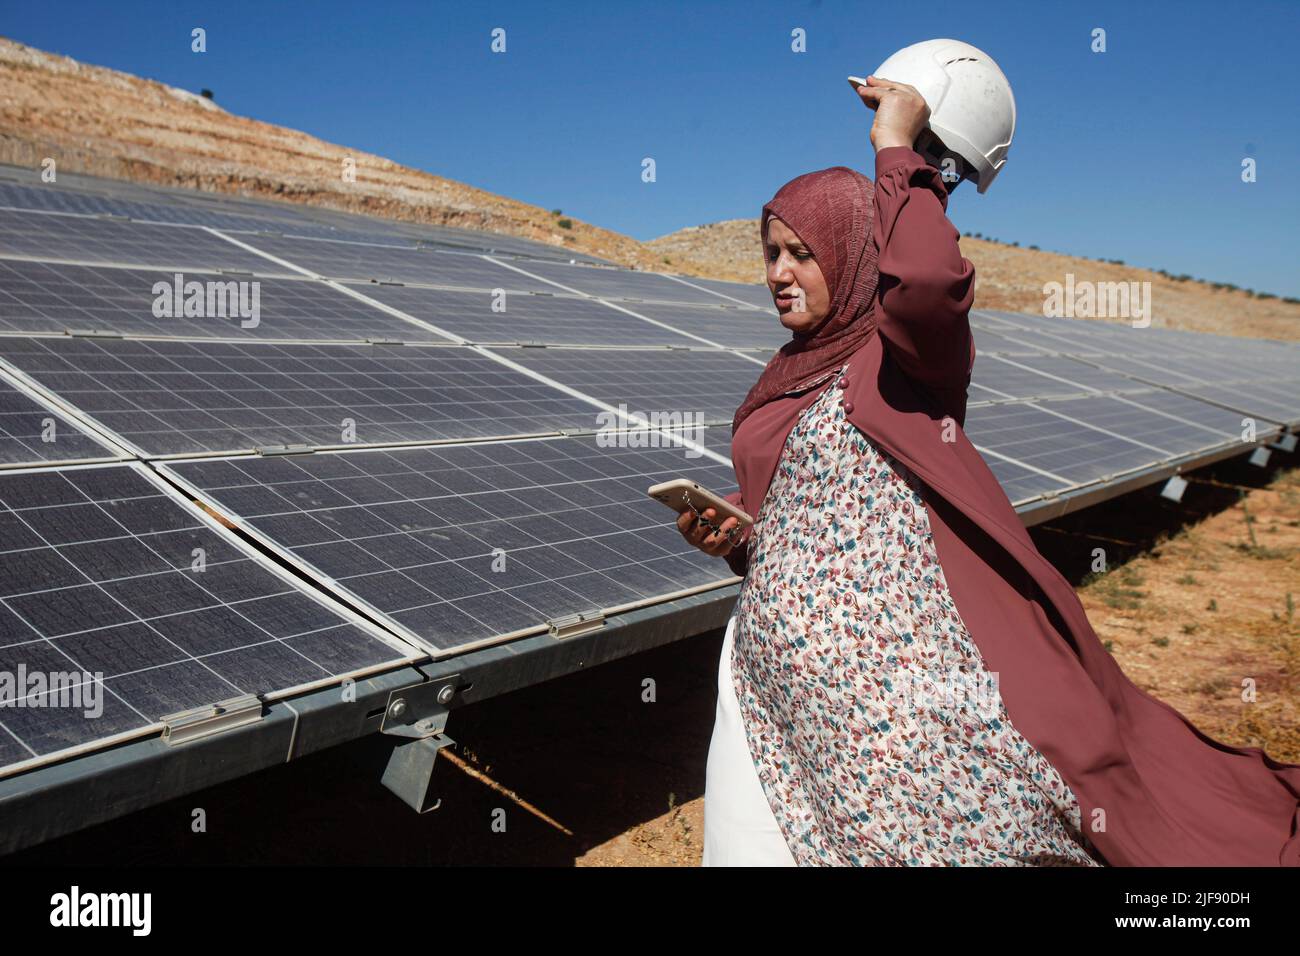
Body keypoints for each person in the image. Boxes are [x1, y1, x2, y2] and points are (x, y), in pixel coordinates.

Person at [682, 76, 1300, 866]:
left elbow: (932, 284)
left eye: (803, 253)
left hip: (908, 705)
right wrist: (732, 529)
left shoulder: (900, 363)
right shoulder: (780, 378)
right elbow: (794, 514)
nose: (778, 273)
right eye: (769, 253)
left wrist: (897, 148)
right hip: (775, 690)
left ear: (853, 252)